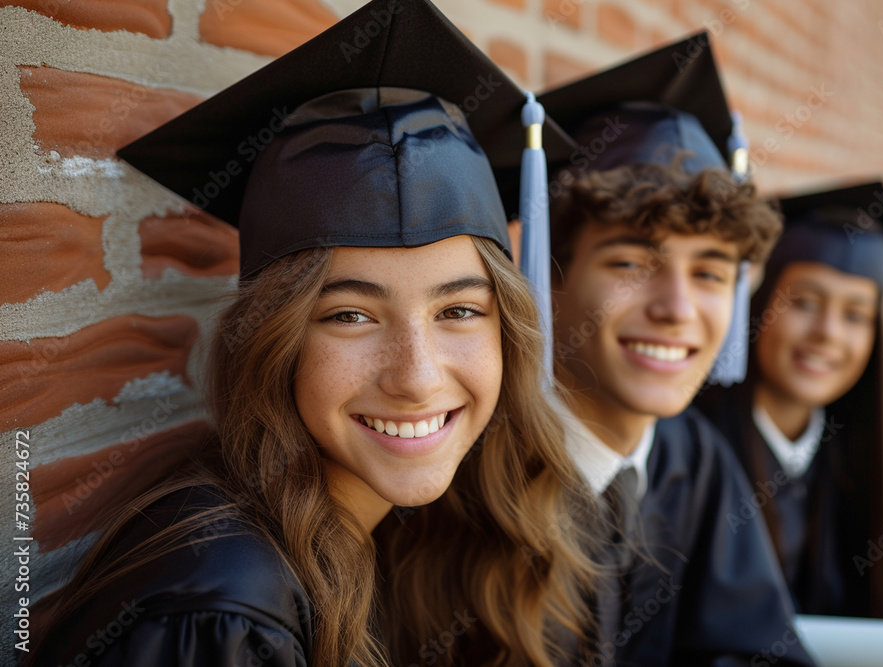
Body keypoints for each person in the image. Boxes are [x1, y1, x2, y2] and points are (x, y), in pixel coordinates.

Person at [29, 2, 598, 666]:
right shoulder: (220, 615)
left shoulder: (412, 527)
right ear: (275, 340)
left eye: (459, 311)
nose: (416, 376)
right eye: (349, 315)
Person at [533, 33, 817, 666]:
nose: (677, 309)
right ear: (550, 275)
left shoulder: (695, 459)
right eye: (632, 262)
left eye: (712, 272)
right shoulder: (474, 475)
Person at [696, 181, 883, 623]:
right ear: (761, 307)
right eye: (804, 303)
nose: (828, 334)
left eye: (856, 315)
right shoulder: (697, 450)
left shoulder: (857, 457)